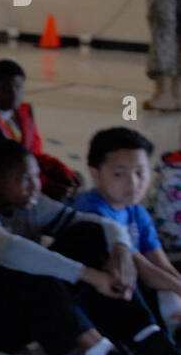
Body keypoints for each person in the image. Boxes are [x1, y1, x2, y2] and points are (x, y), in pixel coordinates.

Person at [0, 140, 180, 355]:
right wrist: (87, 275)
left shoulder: (29, 203)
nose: (34, 185)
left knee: (89, 235)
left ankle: (145, 336)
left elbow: (102, 226)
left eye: (36, 176)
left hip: (17, 313)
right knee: (24, 265)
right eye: (23, 178)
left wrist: (121, 249)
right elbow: (0, 247)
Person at [75, 127, 181, 331]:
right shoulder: (91, 211)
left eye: (141, 173)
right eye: (119, 174)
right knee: (166, 294)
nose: (134, 183)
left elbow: (160, 262)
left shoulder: (136, 210)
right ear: (95, 172)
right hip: (104, 300)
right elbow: (144, 270)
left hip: (139, 287)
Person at [0, 59, 82, 200]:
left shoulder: (22, 115)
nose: (14, 94)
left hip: (19, 178)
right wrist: (44, 185)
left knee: (74, 179)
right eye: (5, 89)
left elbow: (33, 155)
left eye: (18, 87)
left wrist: (63, 172)